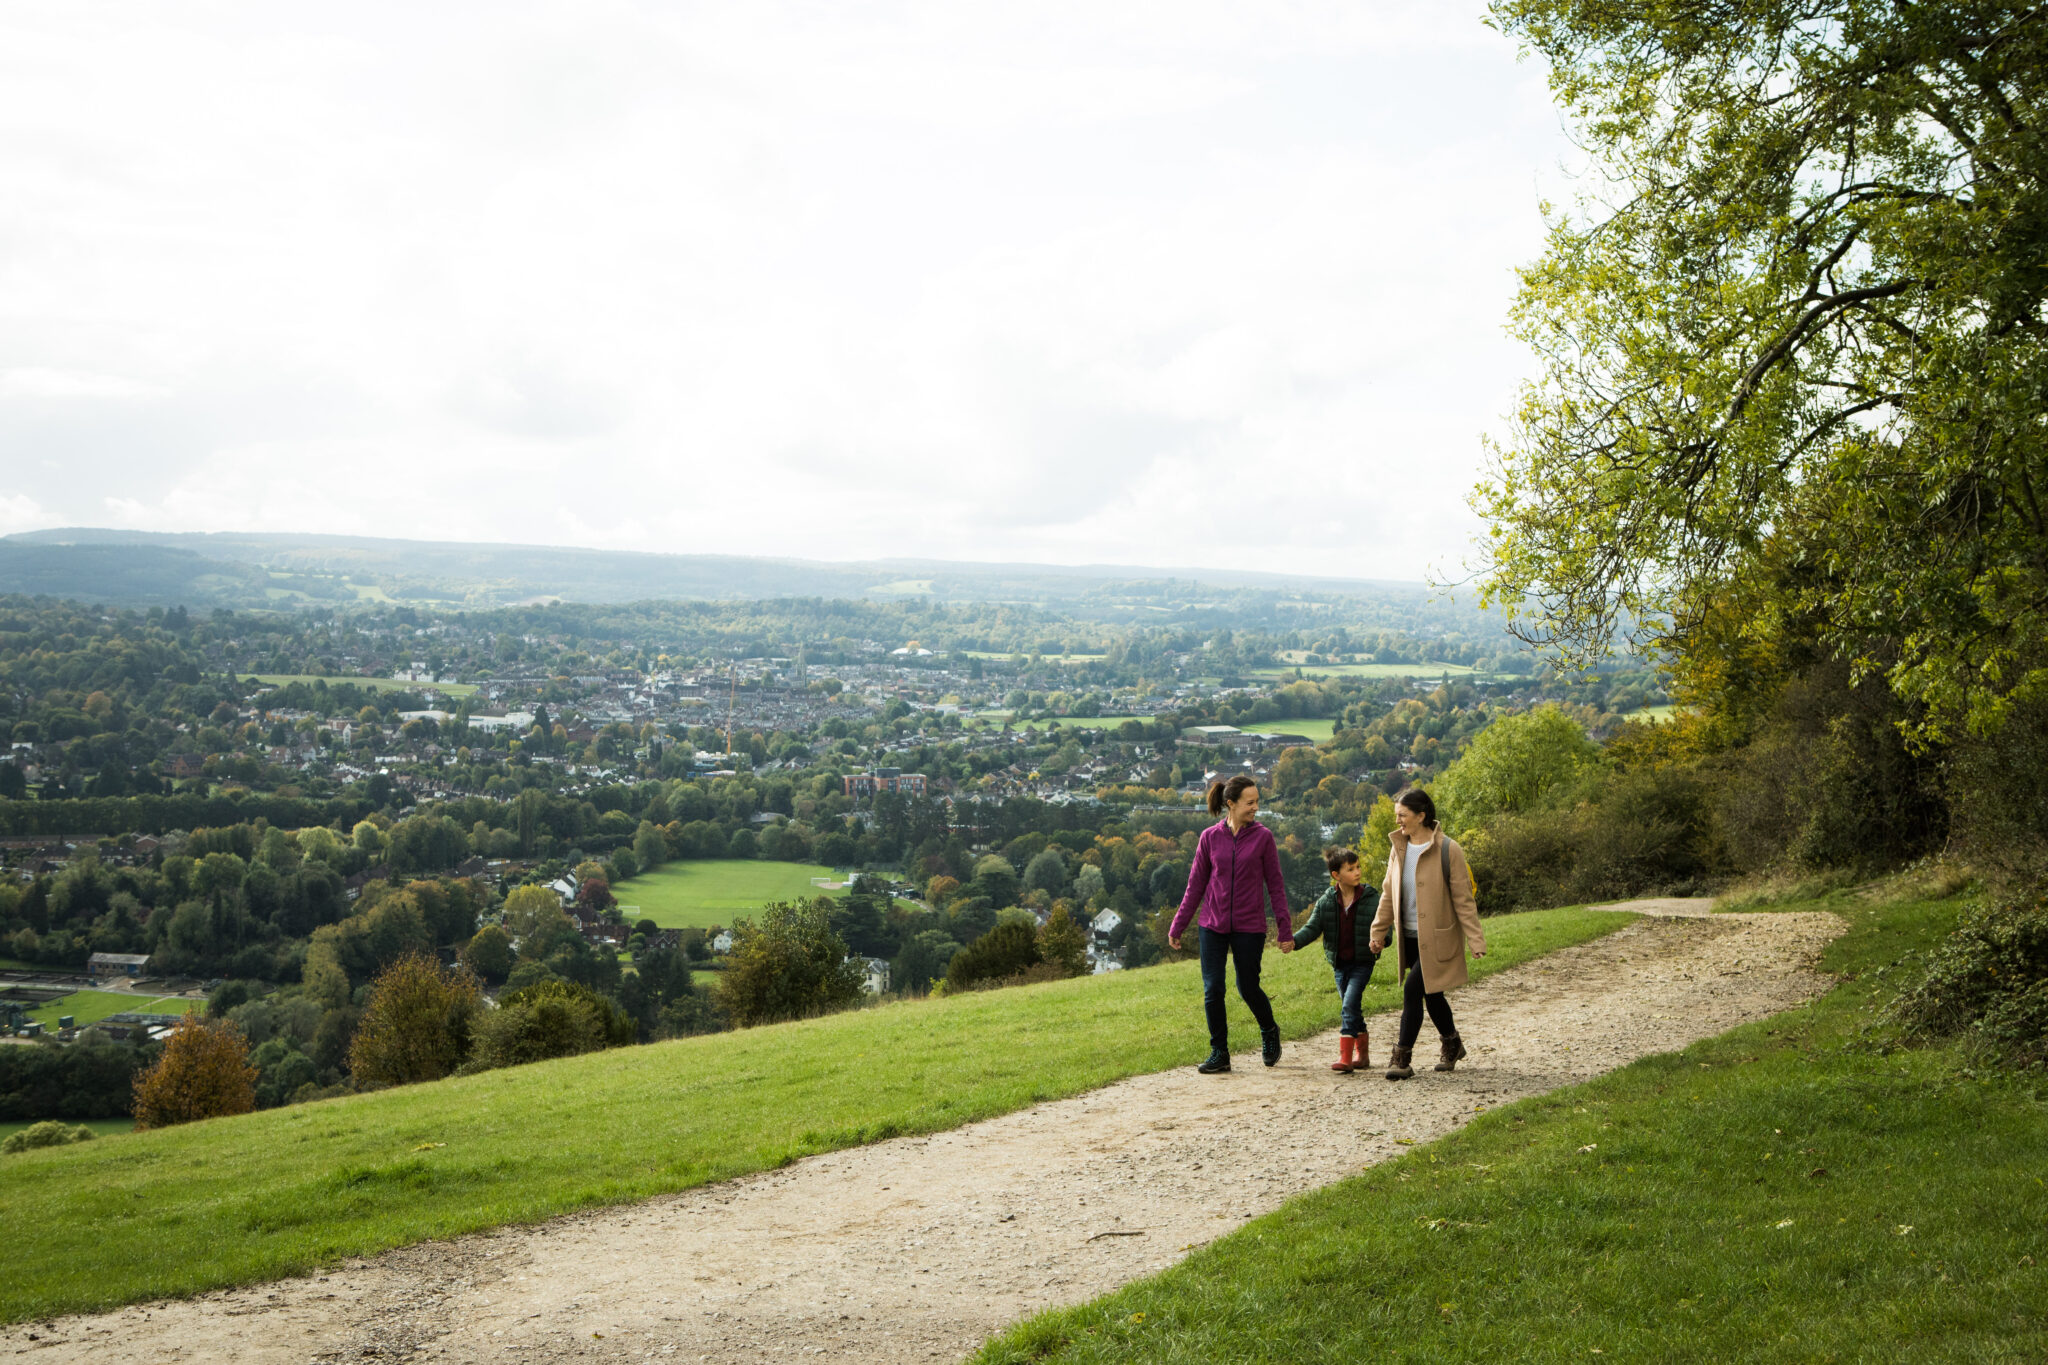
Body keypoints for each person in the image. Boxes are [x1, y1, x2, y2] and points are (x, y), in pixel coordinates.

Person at [1167, 775, 1293, 1074]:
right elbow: (1195, 886)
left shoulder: (1263, 838)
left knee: (1248, 987)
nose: (1255, 808)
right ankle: (1219, 1052)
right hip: (1212, 924)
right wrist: (1178, 925)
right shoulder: (1209, 838)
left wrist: (1285, 930)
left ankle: (1268, 1030)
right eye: (1250, 803)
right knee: (1213, 989)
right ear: (1231, 804)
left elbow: (1275, 886)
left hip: (1250, 926)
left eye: (1257, 802)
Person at [1368, 788, 1485, 1080]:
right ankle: (1453, 1043)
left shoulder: (1449, 849)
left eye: (1403, 815)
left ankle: (1401, 1057)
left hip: (1437, 938)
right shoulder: (1398, 848)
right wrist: (1378, 931)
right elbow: (1388, 894)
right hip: (1408, 937)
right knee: (1432, 995)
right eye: (1397, 815)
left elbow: (1463, 899)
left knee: (1412, 990)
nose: (1398, 821)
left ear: (1421, 815)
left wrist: (1475, 939)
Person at [1291, 846, 1381, 1073]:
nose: (1357, 872)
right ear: (1336, 876)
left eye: (1358, 867)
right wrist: (1293, 942)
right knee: (1351, 1007)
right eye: (1351, 869)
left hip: (1363, 962)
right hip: (1340, 965)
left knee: (1349, 1005)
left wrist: (1380, 940)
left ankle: (1346, 1058)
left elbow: (1383, 925)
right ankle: (1363, 1055)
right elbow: (1312, 928)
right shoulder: (1326, 902)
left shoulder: (1371, 898)